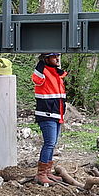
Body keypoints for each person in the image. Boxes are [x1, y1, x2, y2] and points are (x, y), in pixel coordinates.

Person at [32, 52, 68, 184]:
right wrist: (41, 62)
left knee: (53, 144)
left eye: (58, 55)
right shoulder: (42, 71)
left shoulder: (56, 73)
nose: (57, 58)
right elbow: (36, 78)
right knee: (49, 143)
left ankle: (47, 172)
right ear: (46, 59)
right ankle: (41, 174)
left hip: (56, 114)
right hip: (46, 115)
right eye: (54, 56)